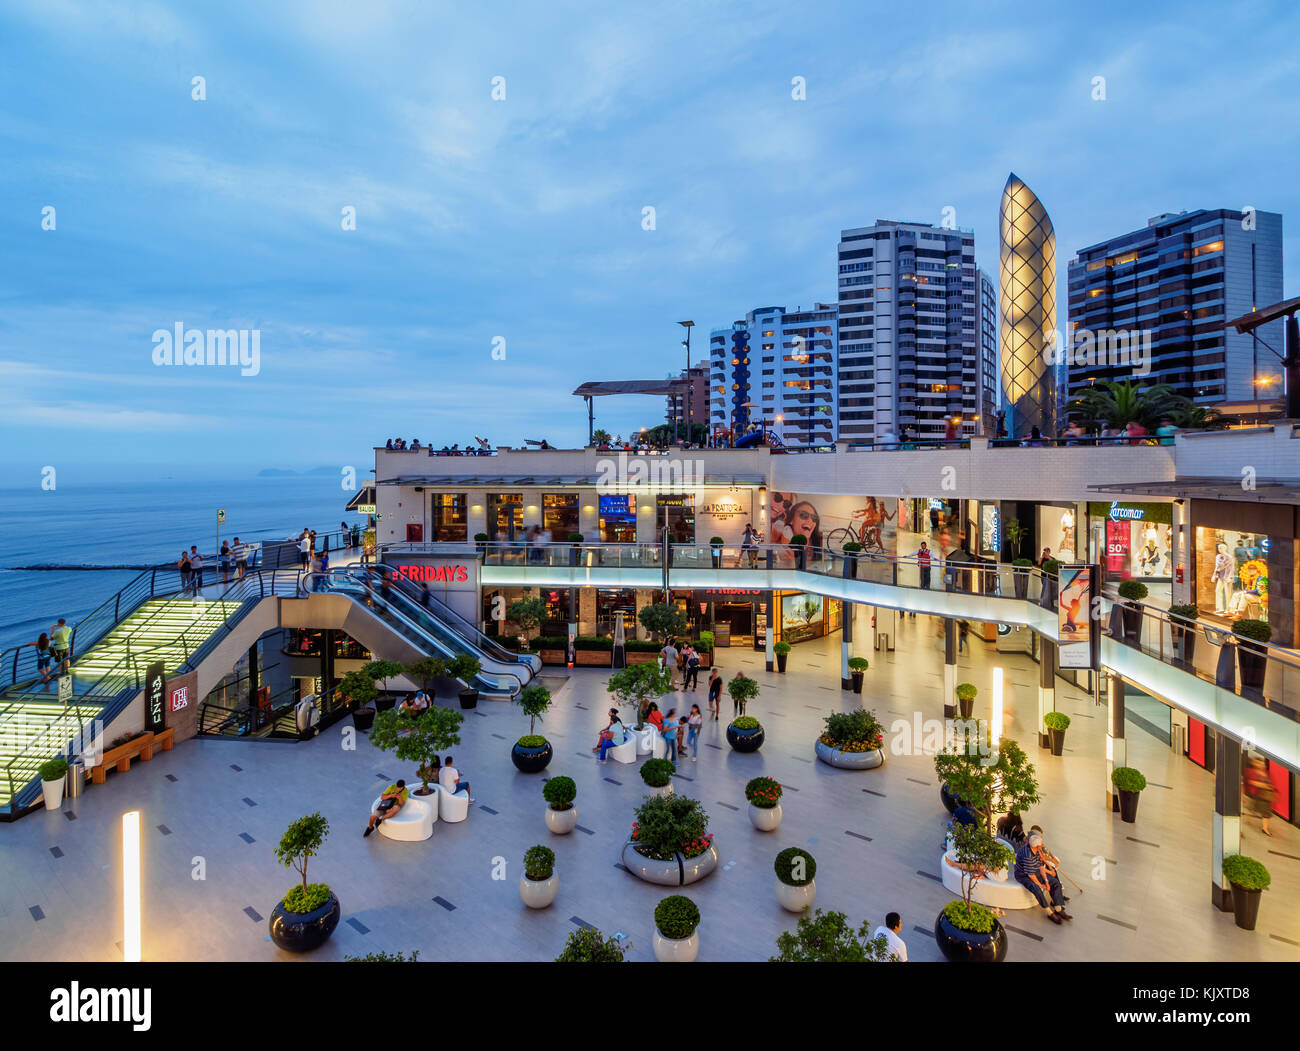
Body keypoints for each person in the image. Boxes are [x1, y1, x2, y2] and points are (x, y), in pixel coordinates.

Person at [1014, 834, 1071, 923]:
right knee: (1037, 889)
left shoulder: (1036, 850)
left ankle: (1058, 909)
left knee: (1055, 883)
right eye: (1041, 844)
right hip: (1023, 875)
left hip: (1034, 871)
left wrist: (1047, 881)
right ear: (1037, 846)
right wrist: (1042, 885)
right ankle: (1049, 912)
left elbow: (1040, 866)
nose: (1042, 845)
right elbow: (1031, 875)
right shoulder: (1027, 855)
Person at [1243, 754, 1275, 836]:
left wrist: (1270, 787)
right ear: (1254, 763)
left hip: (1263, 797)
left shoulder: (1265, 773)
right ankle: (1246, 819)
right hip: (1253, 794)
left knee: (1266, 812)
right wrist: (1264, 785)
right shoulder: (1250, 771)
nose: (1261, 765)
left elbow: (1269, 783)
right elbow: (1251, 782)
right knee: (1250, 808)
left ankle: (1265, 829)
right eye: (1258, 763)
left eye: (1261, 763)